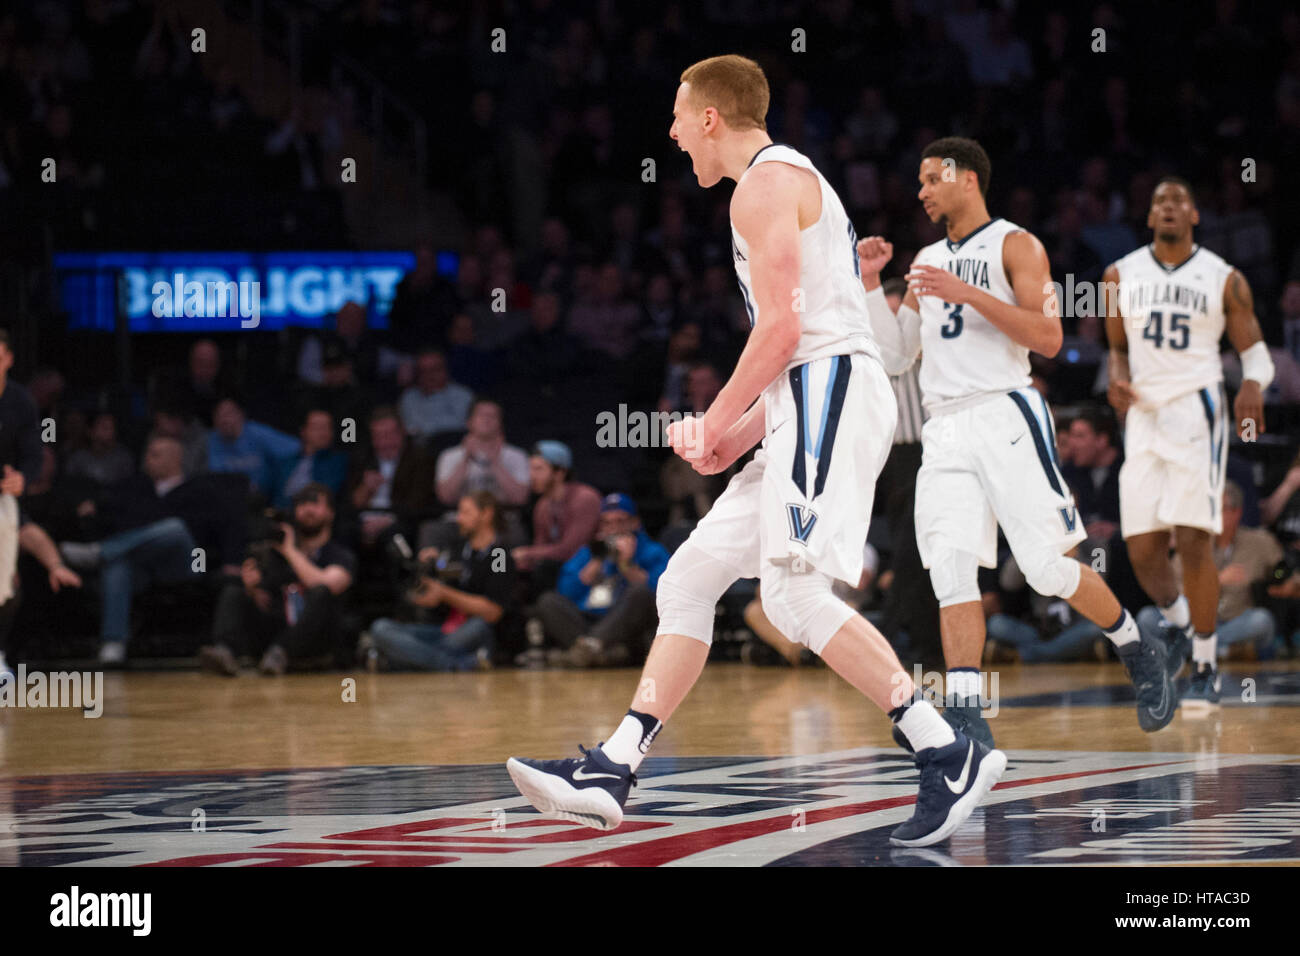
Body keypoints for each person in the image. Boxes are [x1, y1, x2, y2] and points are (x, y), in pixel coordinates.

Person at [508, 56, 1005, 847]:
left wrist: (711, 420)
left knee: (793, 599)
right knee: (688, 578)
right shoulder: (775, 185)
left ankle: (943, 750)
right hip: (808, 397)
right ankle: (615, 766)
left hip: (831, 389)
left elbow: (784, 333)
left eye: (678, 116)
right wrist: (731, 436)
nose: (671, 133)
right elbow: (788, 346)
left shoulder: (764, 185)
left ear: (711, 117)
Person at [862, 136, 1173, 747]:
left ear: (967, 178)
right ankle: (969, 716)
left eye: (931, 179)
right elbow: (898, 355)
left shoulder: (1015, 243)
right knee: (949, 571)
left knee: (1048, 569)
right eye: (919, 181)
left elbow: (1050, 339)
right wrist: (873, 285)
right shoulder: (925, 256)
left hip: (1005, 413)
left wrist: (968, 293)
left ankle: (1139, 650)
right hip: (943, 426)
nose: (921, 191)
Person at [1105, 177, 1274, 711]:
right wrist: (1116, 378)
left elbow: (1258, 356)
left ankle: (1205, 666)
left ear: (1195, 216)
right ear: (1149, 216)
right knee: (1141, 549)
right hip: (1144, 416)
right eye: (1160, 201)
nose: (1170, 207)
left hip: (1196, 411)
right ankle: (1181, 625)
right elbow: (1117, 350)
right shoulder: (1118, 275)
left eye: (1180, 200)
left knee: (1193, 539)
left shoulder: (1224, 278)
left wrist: (1251, 385)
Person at [58, 436, 241, 665]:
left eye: (155, 454)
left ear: (176, 458)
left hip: (193, 560)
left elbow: (230, 524)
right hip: (144, 566)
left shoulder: (201, 490)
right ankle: (114, 643)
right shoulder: (137, 489)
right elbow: (109, 512)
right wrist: (92, 507)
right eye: (147, 453)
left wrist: (233, 561)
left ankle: (99, 553)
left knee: (175, 528)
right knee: (118, 564)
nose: (147, 459)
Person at [200, 483, 356, 676]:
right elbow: (266, 602)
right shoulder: (274, 554)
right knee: (233, 592)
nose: (307, 509)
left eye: (314, 503)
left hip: (316, 641)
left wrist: (290, 550)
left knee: (321, 592)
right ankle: (225, 652)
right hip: (276, 633)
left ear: (331, 513)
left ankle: (281, 652)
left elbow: (328, 585)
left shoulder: (339, 555)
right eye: (301, 504)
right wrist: (252, 590)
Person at [367, 491, 516, 671]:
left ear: (486, 514)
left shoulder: (498, 555)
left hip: (474, 631)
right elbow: (439, 590)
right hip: (444, 630)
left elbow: (493, 611)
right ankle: (459, 663)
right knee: (381, 628)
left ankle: (398, 661)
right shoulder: (457, 549)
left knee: (478, 626)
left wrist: (444, 594)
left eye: (466, 513)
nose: (459, 519)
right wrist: (425, 582)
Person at [534, 493, 670, 667]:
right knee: (548, 601)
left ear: (635, 523)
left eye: (620, 521)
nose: (613, 528)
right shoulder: (589, 552)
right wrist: (595, 562)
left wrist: (626, 564)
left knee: (640, 593)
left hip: (623, 625)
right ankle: (597, 651)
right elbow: (565, 591)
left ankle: (588, 651)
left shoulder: (652, 551)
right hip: (589, 619)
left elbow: (659, 592)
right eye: (607, 522)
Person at [510, 441, 601, 585]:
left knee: (545, 569)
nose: (531, 476)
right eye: (530, 469)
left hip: (588, 570)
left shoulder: (584, 498)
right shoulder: (543, 506)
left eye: (538, 469)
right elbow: (540, 549)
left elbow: (571, 550)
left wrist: (526, 554)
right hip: (558, 570)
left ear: (560, 473)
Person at [0, 331, 42, 618]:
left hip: (6, 499)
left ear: (9, 360)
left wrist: (23, 479)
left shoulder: (21, 401)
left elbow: (33, 455)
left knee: (8, 585)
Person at [434, 399, 529, 508]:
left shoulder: (517, 455)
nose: (486, 420)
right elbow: (445, 498)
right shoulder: (449, 456)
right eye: (481, 415)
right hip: (460, 517)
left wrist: (495, 462)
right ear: (469, 422)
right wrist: (465, 459)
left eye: (493, 416)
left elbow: (520, 499)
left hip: (504, 517)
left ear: (501, 423)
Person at [206, 394, 299, 501]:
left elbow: (295, 448)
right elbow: (214, 477)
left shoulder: (258, 434)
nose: (225, 420)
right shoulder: (212, 440)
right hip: (229, 500)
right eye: (219, 415)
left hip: (264, 497)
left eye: (229, 414)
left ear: (241, 414)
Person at [269, 408, 348, 509]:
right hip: (280, 515)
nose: (323, 433)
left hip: (312, 514)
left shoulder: (338, 461)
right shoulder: (286, 462)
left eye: (327, 427)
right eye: (317, 427)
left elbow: (326, 494)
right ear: (303, 431)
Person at [397, 349, 473, 441]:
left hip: (456, 449)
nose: (429, 375)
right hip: (420, 452)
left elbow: (463, 427)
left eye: (435, 369)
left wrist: (425, 430)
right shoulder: (409, 398)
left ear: (445, 370)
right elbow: (409, 430)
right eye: (423, 371)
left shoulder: (463, 395)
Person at [64, 411, 135, 486]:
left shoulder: (124, 458)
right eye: (104, 427)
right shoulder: (77, 458)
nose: (108, 431)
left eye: (111, 427)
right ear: (90, 431)